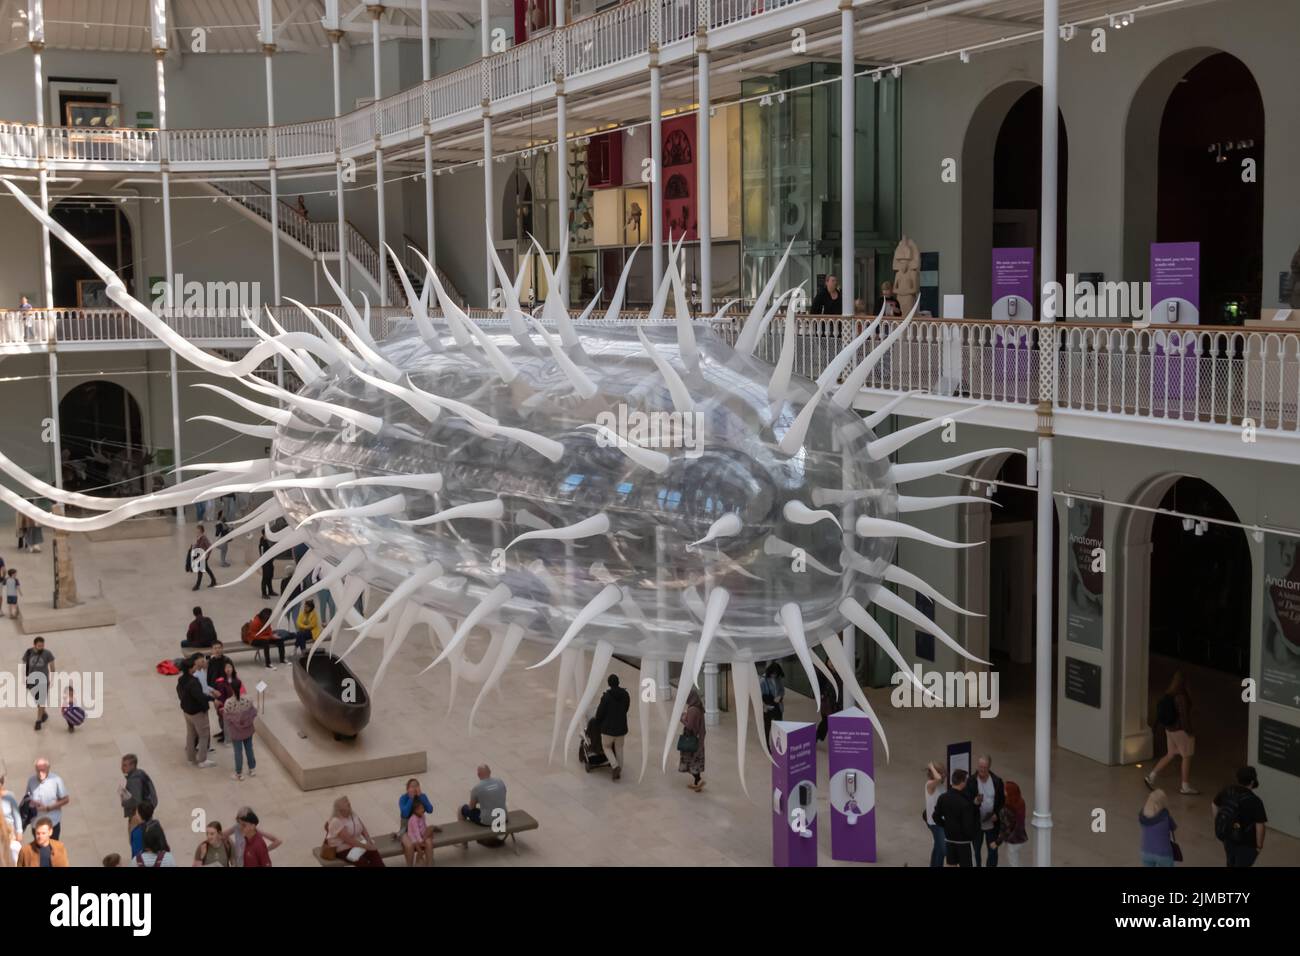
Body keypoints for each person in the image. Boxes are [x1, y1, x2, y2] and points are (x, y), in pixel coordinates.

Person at [1145, 671, 1198, 794]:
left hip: (1169, 729)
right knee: (1187, 756)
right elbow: (1184, 717)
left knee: (1170, 754)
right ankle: (1185, 786)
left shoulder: (1168, 694)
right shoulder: (1181, 697)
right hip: (1180, 730)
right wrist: (1190, 732)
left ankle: (1151, 777)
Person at [1212, 766, 1268, 868]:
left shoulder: (1228, 790)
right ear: (1252, 781)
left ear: (1238, 778)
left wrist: (1219, 822)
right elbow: (1260, 825)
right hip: (1246, 842)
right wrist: (1259, 846)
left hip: (1228, 836)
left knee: (1230, 862)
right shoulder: (1255, 801)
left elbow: (1214, 804)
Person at [963, 753, 1006, 866]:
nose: (981, 770)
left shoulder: (997, 781)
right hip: (977, 825)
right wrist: (975, 802)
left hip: (992, 824)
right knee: (976, 851)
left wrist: (997, 814)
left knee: (992, 851)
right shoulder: (971, 781)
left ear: (989, 767)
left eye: (984, 767)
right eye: (980, 767)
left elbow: (1002, 802)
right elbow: (966, 802)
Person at [932, 769, 979, 867]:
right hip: (964, 842)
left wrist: (946, 825)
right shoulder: (965, 803)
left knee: (951, 865)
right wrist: (973, 836)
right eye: (965, 780)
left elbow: (935, 816)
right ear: (962, 783)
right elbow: (968, 826)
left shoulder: (943, 798)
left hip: (949, 840)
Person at [177, 654, 215, 768]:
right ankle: (202, 760)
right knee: (203, 735)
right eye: (194, 665)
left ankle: (190, 758)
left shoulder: (181, 679)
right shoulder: (193, 682)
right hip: (197, 712)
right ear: (190, 668)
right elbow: (200, 696)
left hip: (187, 711)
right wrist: (213, 699)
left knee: (191, 734)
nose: (196, 666)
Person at [325, 796, 385, 867]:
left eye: (348, 801)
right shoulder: (336, 821)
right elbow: (349, 840)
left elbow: (363, 828)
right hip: (342, 849)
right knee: (362, 861)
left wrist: (368, 840)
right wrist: (366, 846)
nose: (349, 803)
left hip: (356, 845)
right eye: (345, 802)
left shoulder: (352, 814)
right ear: (340, 808)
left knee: (374, 852)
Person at [595, 674, 631, 781]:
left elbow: (600, 713)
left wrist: (598, 720)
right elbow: (626, 708)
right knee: (619, 748)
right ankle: (619, 769)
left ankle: (615, 766)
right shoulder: (625, 695)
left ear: (609, 684)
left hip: (608, 729)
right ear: (618, 682)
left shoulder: (606, 697)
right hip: (621, 728)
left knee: (606, 747)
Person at [25, 758, 69, 840]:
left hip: (52, 823)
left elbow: (66, 799)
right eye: (38, 771)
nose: (40, 773)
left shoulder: (56, 780)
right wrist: (32, 803)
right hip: (36, 824)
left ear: (48, 769)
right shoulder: (31, 780)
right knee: (38, 851)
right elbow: (27, 798)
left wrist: (48, 808)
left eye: (43, 770)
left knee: (52, 850)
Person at [399, 778, 439, 864]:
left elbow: (430, 809)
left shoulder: (422, 796)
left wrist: (421, 797)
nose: (414, 788)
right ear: (407, 789)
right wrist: (411, 798)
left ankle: (429, 864)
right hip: (406, 830)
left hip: (420, 828)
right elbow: (405, 813)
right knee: (409, 846)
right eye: (412, 786)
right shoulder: (403, 798)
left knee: (428, 842)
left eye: (416, 786)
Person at [118, 755, 158, 837]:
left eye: (125, 765)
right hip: (146, 814)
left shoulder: (133, 780)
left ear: (132, 765)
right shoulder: (141, 773)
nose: (122, 768)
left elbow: (136, 800)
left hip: (137, 817)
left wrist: (124, 802)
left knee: (136, 840)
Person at [223, 691, 258, 781]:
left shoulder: (229, 702)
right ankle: (252, 769)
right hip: (248, 730)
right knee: (249, 749)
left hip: (236, 732)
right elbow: (254, 712)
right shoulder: (248, 699)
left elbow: (226, 718)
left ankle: (239, 774)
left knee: (238, 752)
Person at [460, 764, 508, 829]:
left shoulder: (477, 788)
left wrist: (478, 799)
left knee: (462, 809)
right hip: (503, 818)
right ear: (490, 772)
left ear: (478, 775)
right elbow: (502, 795)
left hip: (487, 821)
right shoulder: (500, 781)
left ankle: (463, 830)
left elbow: (471, 807)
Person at [1138, 788, 1177, 867]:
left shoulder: (1142, 816)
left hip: (1146, 851)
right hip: (1163, 853)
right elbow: (1173, 827)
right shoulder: (1165, 816)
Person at [678, 688, 707, 791]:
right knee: (696, 761)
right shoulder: (699, 707)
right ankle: (697, 783)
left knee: (691, 761)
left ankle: (698, 780)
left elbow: (689, 726)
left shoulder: (692, 709)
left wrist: (681, 719)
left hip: (691, 739)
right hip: (699, 738)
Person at [22, 634, 54, 729]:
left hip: (43, 681)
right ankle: (44, 713)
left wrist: (52, 671)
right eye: (39, 646)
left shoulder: (47, 653)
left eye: (43, 645)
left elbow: (52, 667)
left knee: (41, 701)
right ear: (34, 645)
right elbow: (25, 665)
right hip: (32, 680)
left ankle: (38, 721)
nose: (41, 647)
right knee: (37, 700)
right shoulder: (28, 652)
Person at [212, 658, 243, 745]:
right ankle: (224, 733)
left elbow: (241, 693)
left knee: (232, 723)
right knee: (222, 721)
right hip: (222, 705)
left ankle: (231, 737)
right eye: (226, 668)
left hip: (233, 706)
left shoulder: (237, 680)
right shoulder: (219, 681)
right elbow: (217, 694)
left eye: (230, 667)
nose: (228, 669)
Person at [999, 780, 1029, 866]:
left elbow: (1008, 825)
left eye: (1005, 790)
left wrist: (999, 840)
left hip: (1013, 838)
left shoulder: (1009, 807)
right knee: (1014, 857)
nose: (1003, 791)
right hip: (1021, 836)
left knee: (1012, 859)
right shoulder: (1020, 802)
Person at [922, 761, 947, 868]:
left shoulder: (940, 785)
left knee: (938, 848)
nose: (945, 775)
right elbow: (938, 778)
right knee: (944, 849)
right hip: (935, 823)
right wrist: (932, 766)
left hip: (941, 821)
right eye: (942, 773)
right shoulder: (930, 785)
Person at [760, 662, 785, 744]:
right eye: (773, 674)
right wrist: (764, 706)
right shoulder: (763, 680)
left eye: (776, 674)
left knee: (779, 726)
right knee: (767, 727)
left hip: (778, 706)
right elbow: (759, 696)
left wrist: (780, 697)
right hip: (767, 707)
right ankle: (766, 744)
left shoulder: (778, 678)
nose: (774, 676)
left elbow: (782, 690)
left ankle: (777, 745)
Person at [406, 799, 434, 867]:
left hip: (421, 835)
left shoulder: (422, 816)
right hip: (413, 836)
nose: (422, 810)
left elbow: (424, 825)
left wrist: (425, 833)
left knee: (431, 829)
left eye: (423, 808)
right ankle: (419, 856)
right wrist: (421, 841)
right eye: (420, 809)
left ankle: (423, 859)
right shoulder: (413, 819)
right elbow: (416, 832)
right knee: (416, 844)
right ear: (415, 810)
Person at [191, 525, 216, 590]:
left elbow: (210, 547)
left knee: (200, 570)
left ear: (201, 530)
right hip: (200, 555)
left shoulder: (204, 538)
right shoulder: (198, 537)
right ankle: (214, 581)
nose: (196, 531)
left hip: (203, 556)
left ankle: (197, 585)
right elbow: (198, 545)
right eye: (196, 529)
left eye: (198, 529)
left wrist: (207, 555)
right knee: (207, 568)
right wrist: (194, 546)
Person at [258, 531, 277, 598]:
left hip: (270, 562)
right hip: (266, 563)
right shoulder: (262, 544)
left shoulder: (268, 541)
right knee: (265, 577)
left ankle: (270, 591)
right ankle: (264, 593)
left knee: (270, 576)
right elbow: (263, 555)